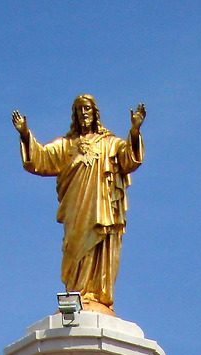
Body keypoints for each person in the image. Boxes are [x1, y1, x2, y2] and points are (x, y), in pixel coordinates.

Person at [12, 96, 146, 312]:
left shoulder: (109, 143)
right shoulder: (67, 146)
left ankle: (95, 295)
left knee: (99, 241)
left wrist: (135, 131)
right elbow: (41, 159)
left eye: (87, 109)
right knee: (74, 247)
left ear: (95, 113)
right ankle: (77, 291)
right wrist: (25, 134)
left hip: (101, 205)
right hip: (76, 207)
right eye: (79, 110)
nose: (84, 113)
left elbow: (128, 159)